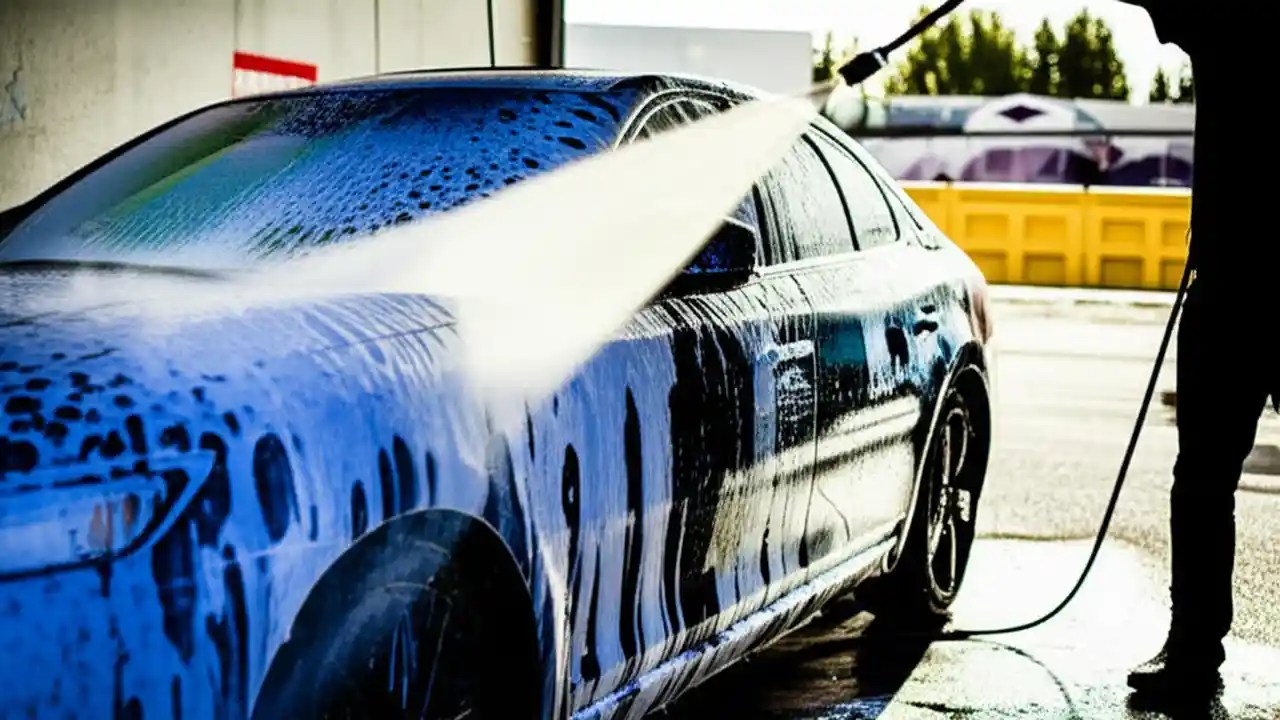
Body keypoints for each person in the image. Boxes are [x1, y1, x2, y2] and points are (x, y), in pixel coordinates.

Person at [1116, 0, 1278, 705]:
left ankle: (1192, 651)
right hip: (1228, 285)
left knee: (1203, 478)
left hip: (1232, 285)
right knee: (1203, 476)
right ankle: (1191, 649)